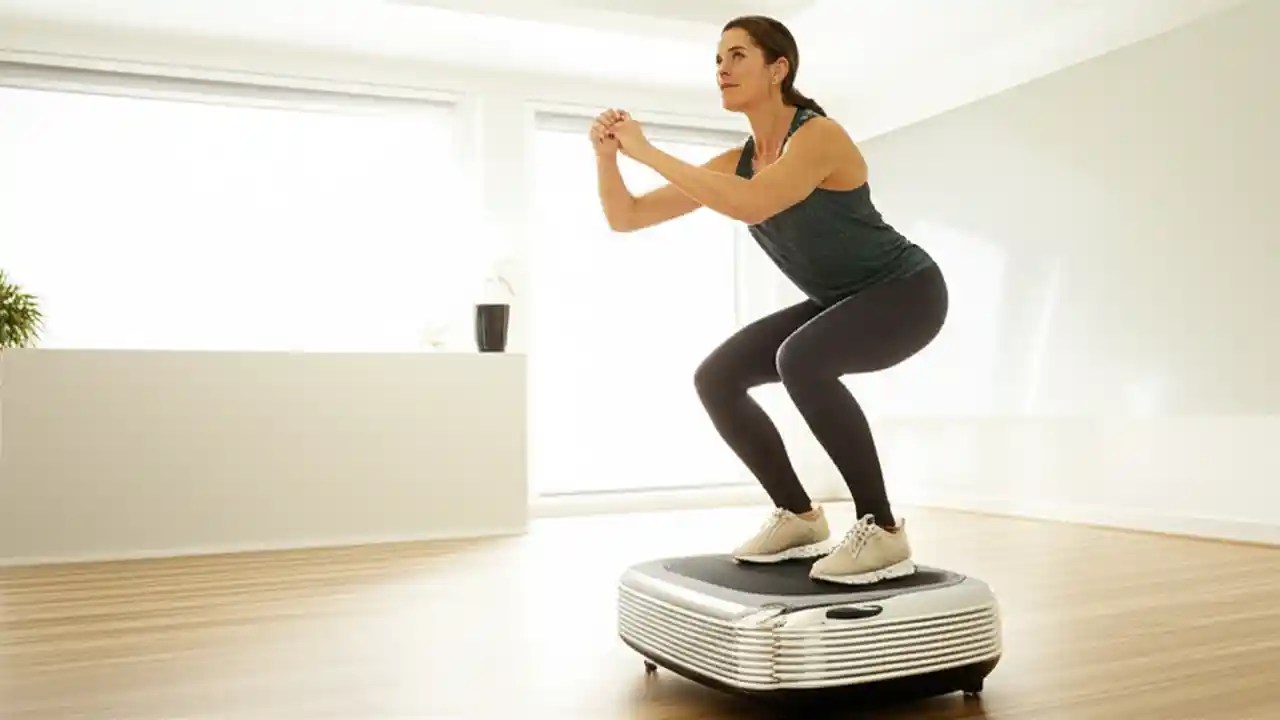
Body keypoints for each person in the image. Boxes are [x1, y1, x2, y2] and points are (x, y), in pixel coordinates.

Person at [589, 15, 948, 585]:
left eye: (737, 56)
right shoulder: (736, 162)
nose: (722, 70)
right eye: (717, 60)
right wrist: (609, 156)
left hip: (907, 292)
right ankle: (800, 517)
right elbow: (626, 216)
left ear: (778, 68)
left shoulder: (819, 135)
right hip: (841, 299)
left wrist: (650, 151)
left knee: (801, 359)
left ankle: (881, 529)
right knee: (718, 377)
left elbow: (755, 204)